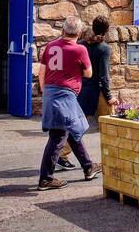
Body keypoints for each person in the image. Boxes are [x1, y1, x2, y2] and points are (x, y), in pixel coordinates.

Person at [36, 16, 98, 191]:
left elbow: (42, 72)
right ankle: (46, 178)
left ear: (63, 30)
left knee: (72, 130)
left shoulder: (50, 46)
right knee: (58, 136)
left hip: (50, 92)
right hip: (65, 95)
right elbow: (88, 74)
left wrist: (46, 92)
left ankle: (88, 167)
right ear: (79, 33)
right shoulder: (80, 50)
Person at [57, 15, 117, 170]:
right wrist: (109, 96)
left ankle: (61, 154)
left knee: (77, 124)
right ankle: (114, 156)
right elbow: (104, 76)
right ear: (106, 30)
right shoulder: (104, 48)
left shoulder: (82, 44)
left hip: (80, 89)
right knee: (111, 124)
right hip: (97, 92)